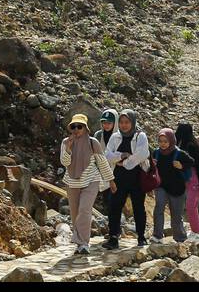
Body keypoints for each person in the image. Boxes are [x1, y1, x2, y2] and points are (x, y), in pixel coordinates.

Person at [60, 114, 115, 256]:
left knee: (84, 210)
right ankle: (79, 242)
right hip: (72, 182)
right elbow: (65, 162)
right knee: (75, 213)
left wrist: (110, 180)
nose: (76, 129)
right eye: (73, 127)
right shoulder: (66, 142)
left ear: (85, 128)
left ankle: (84, 243)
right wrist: (69, 148)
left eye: (80, 126)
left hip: (91, 180)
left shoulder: (93, 142)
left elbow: (102, 162)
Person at [102, 109, 150, 249]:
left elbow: (142, 154)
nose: (124, 125)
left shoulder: (140, 136)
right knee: (114, 207)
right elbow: (107, 155)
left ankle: (141, 237)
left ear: (133, 122)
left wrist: (125, 163)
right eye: (122, 122)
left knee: (138, 207)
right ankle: (113, 238)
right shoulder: (115, 136)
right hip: (119, 177)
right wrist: (121, 155)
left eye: (127, 122)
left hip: (137, 177)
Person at [150, 128, 192, 243]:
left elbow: (191, 162)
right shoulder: (156, 152)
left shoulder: (179, 153)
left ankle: (180, 238)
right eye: (160, 141)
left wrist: (181, 165)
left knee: (176, 214)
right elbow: (150, 168)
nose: (163, 144)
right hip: (161, 187)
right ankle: (157, 236)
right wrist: (152, 165)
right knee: (159, 209)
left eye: (165, 141)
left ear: (172, 141)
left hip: (177, 188)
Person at [175, 123, 199, 242]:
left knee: (191, 205)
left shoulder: (190, 146)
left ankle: (196, 233)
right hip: (189, 178)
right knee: (190, 206)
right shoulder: (181, 145)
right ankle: (194, 231)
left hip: (195, 178)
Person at [95, 109, 117, 226]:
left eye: (109, 123)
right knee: (106, 201)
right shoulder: (98, 135)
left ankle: (115, 228)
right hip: (103, 173)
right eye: (104, 122)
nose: (106, 125)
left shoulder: (120, 136)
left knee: (114, 202)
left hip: (117, 173)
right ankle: (111, 228)